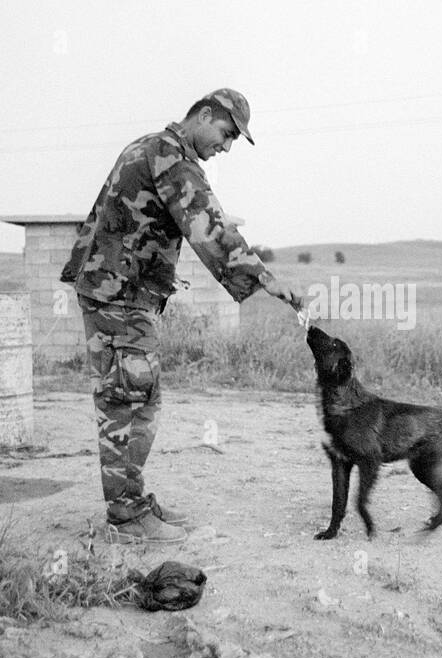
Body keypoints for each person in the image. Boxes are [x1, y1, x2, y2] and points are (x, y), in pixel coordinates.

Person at [60, 88, 300, 544]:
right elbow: (205, 221)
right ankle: (127, 517)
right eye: (226, 134)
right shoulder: (171, 157)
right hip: (119, 296)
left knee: (136, 397)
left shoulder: (147, 145)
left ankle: (132, 499)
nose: (225, 147)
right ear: (204, 115)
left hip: (116, 292)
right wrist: (264, 277)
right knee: (129, 401)